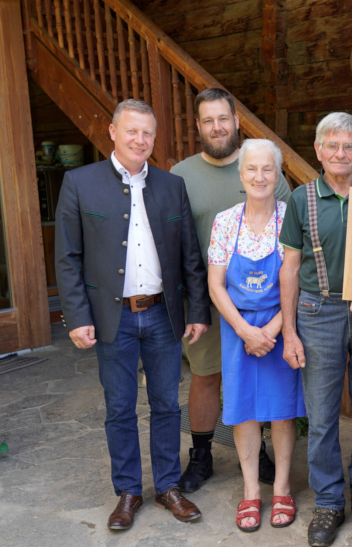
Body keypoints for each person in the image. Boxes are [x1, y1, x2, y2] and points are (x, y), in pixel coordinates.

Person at [55, 99, 209, 530]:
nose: (140, 140)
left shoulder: (171, 185)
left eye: (147, 134)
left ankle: (167, 486)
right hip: (112, 318)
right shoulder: (80, 183)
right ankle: (128, 491)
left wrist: (196, 309)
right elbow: (68, 258)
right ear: (113, 132)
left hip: (162, 314)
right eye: (132, 131)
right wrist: (77, 316)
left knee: (165, 405)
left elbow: (190, 255)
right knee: (119, 407)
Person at [171, 88, 291, 493]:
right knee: (206, 377)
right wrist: (190, 305)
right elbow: (176, 242)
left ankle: (255, 455)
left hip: (266, 305)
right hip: (207, 300)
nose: (216, 127)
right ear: (199, 126)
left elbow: (292, 236)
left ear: (236, 121)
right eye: (207, 120)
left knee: (259, 379)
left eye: (223, 118)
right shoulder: (181, 175)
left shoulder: (265, 166)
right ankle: (201, 456)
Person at [279, 112, 352, 547]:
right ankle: (327, 500)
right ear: (318, 151)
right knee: (321, 414)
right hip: (317, 311)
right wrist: (289, 331)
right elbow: (289, 268)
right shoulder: (301, 200)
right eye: (332, 146)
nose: (341, 154)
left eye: (349, 146)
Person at [207, 138, 305, 532]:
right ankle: (251, 491)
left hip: (281, 325)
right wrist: (246, 330)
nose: (260, 176)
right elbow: (216, 285)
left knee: (282, 412)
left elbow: (298, 280)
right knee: (244, 412)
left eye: (268, 169)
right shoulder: (225, 221)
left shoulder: (290, 217)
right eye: (252, 169)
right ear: (241, 173)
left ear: (278, 173)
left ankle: (281, 487)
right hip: (238, 330)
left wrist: (273, 330)